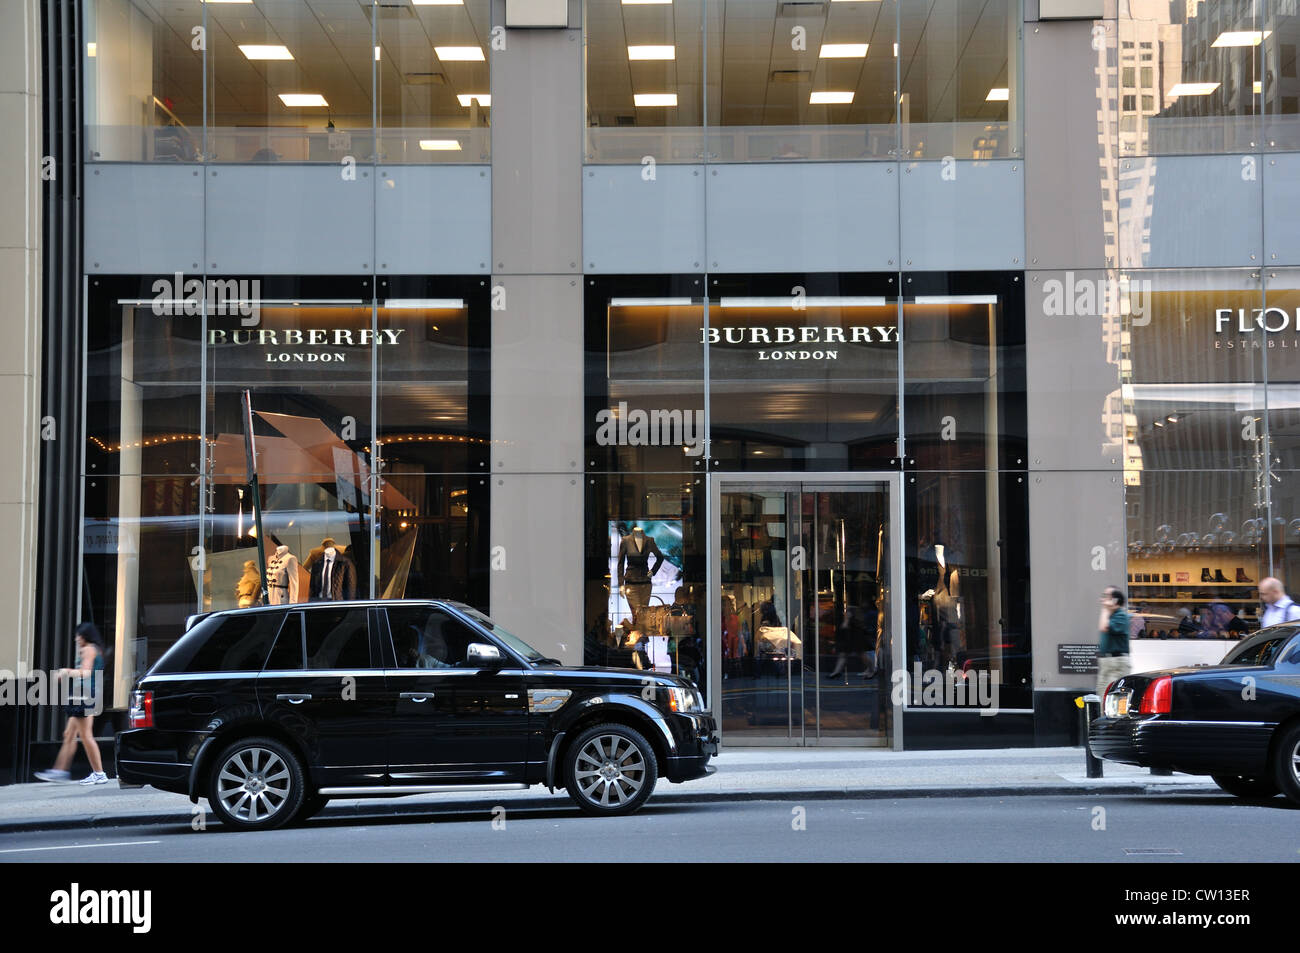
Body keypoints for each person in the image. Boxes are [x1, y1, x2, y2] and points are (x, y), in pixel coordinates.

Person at [35, 623, 109, 784]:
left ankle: (99, 773)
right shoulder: (95, 648)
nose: (76, 639)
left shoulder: (88, 649)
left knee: (85, 735)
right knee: (69, 734)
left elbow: (86, 672)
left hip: (84, 695)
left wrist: (66, 671)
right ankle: (60, 771)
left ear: (85, 636)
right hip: (84, 695)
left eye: (78, 635)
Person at [1096, 586, 1130, 700]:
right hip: (1108, 662)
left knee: (1113, 696)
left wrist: (1105, 610)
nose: (1103, 600)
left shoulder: (1121, 615)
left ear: (1115, 600)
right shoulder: (1112, 615)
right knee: (1102, 694)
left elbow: (1103, 627)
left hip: (1116, 662)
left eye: (1107, 597)